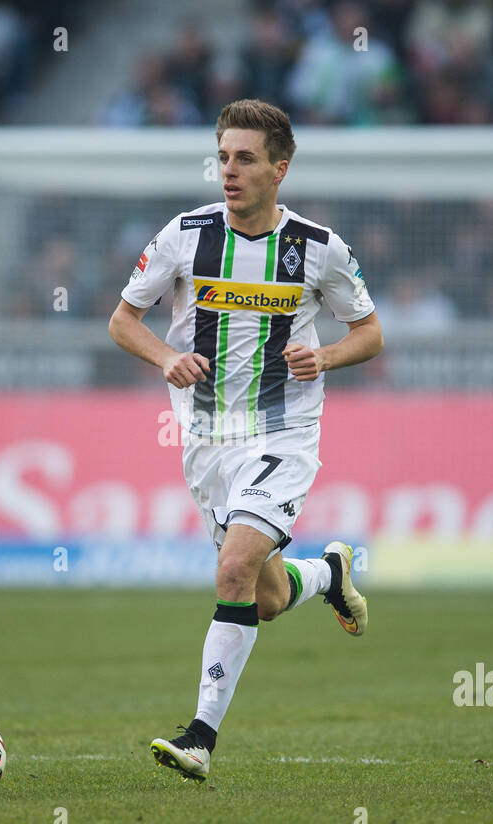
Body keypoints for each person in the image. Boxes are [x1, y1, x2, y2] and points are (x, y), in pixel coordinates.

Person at [107, 99, 384, 781]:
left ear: (279, 168)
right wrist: (164, 358)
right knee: (260, 594)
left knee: (232, 569)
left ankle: (200, 735)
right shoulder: (184, 235)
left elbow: (370, 333)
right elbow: (122, 320)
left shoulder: (318, 249)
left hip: (283, 432)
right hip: (204, 438)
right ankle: (328, 573)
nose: (229, 170)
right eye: (223, 156)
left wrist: (327, 358)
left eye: (245, 158)